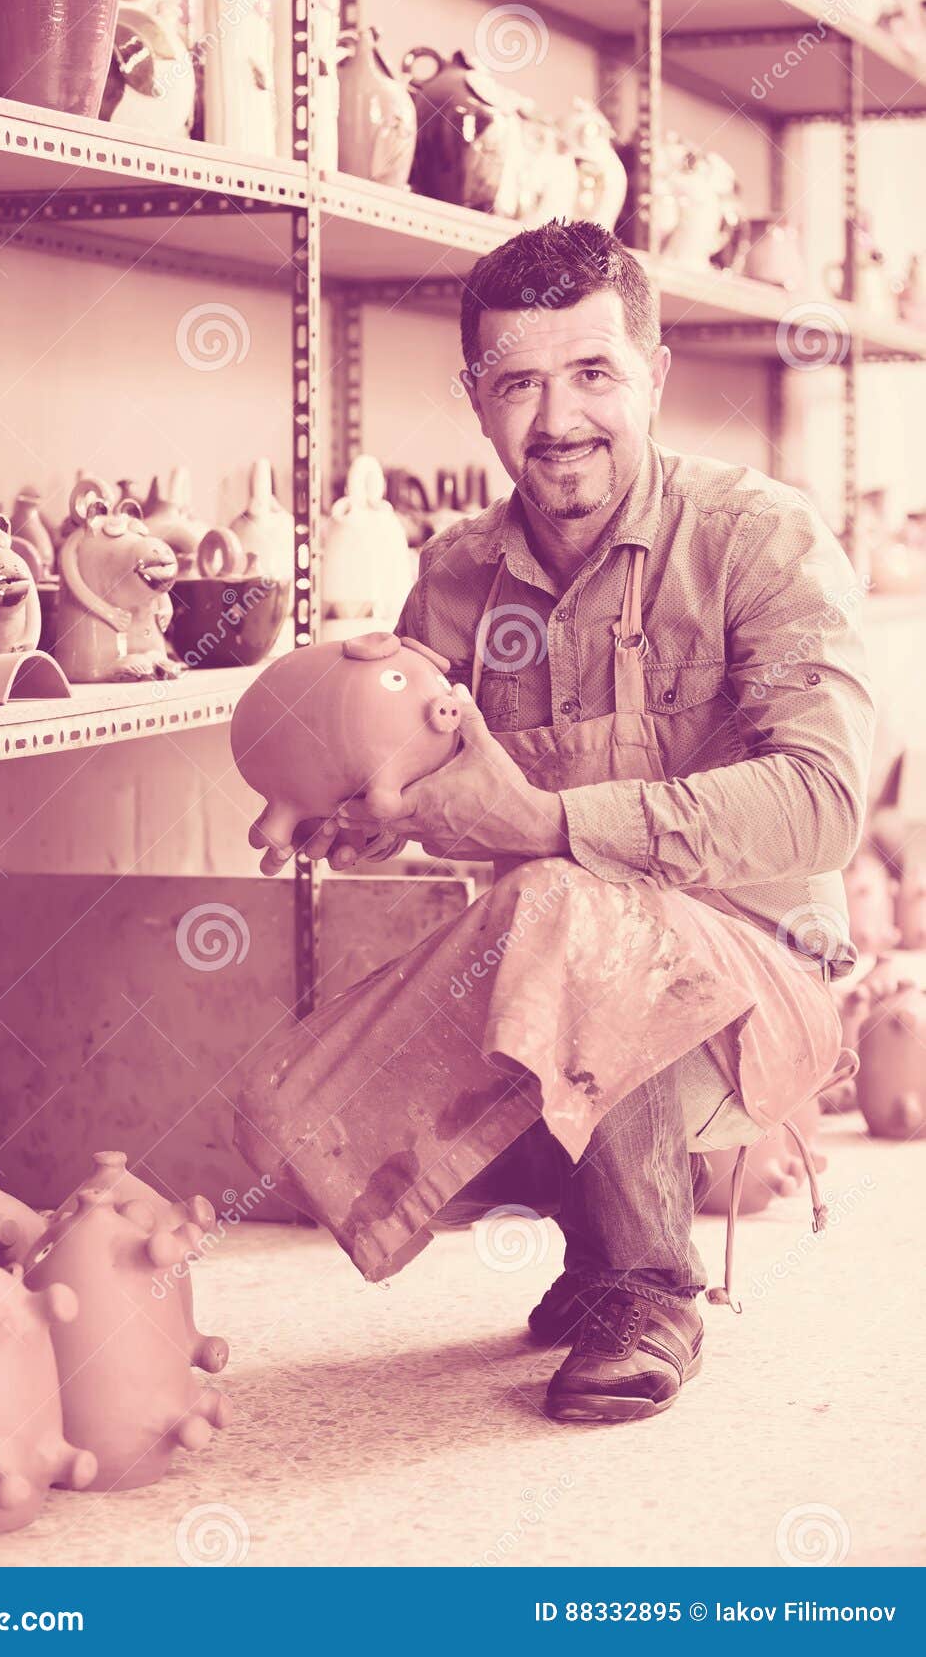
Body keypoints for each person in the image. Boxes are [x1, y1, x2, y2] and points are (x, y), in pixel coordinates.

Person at [235, 220, 874, 1425]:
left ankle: (648, 1286)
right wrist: (377, 819)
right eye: (517, 381)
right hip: (564, 985)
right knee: (289, 1105)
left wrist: (541, 815)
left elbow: (826, 802)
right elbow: (444, 801)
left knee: (569, 891)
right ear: (474, 396)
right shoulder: (456, 578)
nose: (557, 417)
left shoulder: (758, 539)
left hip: (763, 996)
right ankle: (592, 1246)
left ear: (654, 375)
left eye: (593, 374)